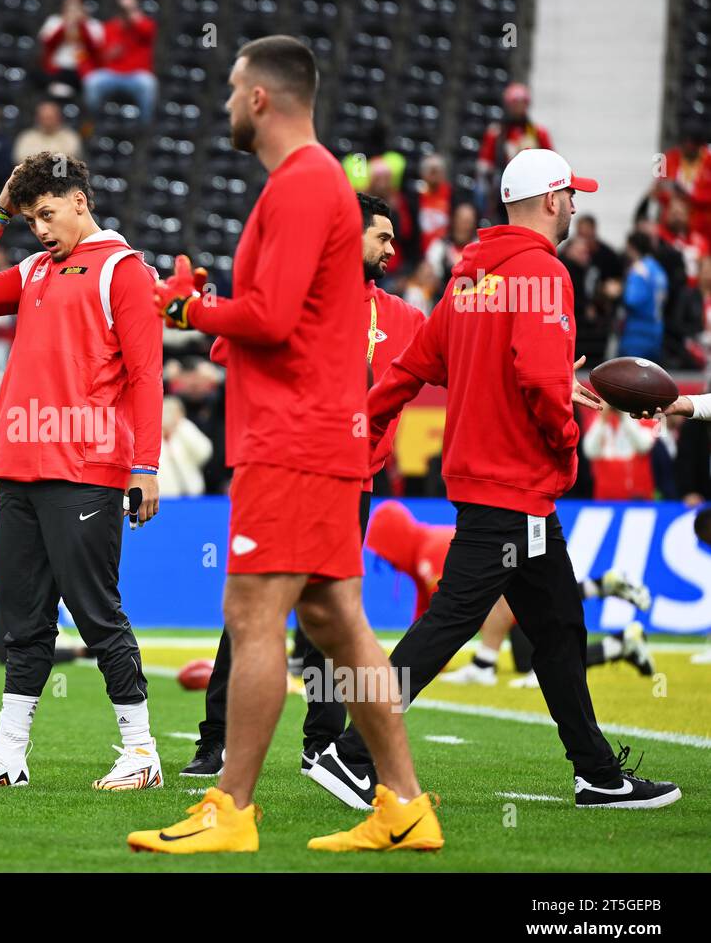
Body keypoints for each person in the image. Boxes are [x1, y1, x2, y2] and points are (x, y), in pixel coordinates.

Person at [133, 38, 441, 855]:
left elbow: (268, 318)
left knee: (251, 612)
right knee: (338, 617)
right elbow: (288, 318)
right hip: (321, 431)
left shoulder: (304, 183)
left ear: (262, 98)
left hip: (294, 438)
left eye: (234, 89)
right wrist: (208, 304)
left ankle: (230, 808)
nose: (227, 103)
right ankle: (406, 804)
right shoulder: (314, 184)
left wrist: (190, 313)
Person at [313, 147, 681, 812]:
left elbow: (414, 364)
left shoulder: (468, 275)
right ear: (549, 200)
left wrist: (361, 428)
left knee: (560, 624)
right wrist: (567, 439)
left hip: (501, 488)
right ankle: (351, 751)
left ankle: (597, 772)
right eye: (571, 195)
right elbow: (539, 382)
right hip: (514, 487)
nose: (575, 206)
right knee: (450, 622)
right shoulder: (545, 273)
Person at [0, 150, 164, 792]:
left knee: (96, 614)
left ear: (81, 202)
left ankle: (142, 753)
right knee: (24, 620)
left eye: (47, 213)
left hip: (87, 467)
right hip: (20, 467)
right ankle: (8, 753)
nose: (40, 228)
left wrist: (146, 466)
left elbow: (146, 376)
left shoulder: (124, 270)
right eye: (31, 218)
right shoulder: (35, 267)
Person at [179, 193, 425, 782]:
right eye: (381, 237)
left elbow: (460, 353)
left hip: (354, 481)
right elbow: (229, 343)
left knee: (329, 617)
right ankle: (215, 741)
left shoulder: (406, 317)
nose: (392, 249)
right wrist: (206, 310)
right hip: (289, 469)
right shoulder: (302, 298)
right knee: (253, 614)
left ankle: (322, 745)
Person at [363, 501, 654, 688]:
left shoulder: (428, 555)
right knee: (539, 632)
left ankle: (484, 665)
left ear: (393, 538)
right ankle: (619, 635)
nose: (386, 561)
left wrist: (481, 657)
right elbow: (428, 617)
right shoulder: (423, 552)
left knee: (541, 656)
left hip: (508, 593)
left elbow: (462, 609)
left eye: (383, 551)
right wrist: (424, 662)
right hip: (510, 585)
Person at [477, 82, 553, 220]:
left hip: (532, 188)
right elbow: (484, 164)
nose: (518, 107)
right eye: (514, 103)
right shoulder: (495, 132)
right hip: (502, 189)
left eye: (522, 103)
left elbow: (551, 161)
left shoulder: (538, 132)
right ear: (508, 105)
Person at [83, 0, 157, 122]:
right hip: (112, 74)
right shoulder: (109, 27)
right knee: (92, 81)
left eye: (131, 7)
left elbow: (148, 32)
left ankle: (146, 125)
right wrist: (110, 54)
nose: (126, 11)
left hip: (136, 75)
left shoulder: (145, 24)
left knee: (148, 83)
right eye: (124, 8)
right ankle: (91, 121)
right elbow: (100, 57)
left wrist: (134, 15)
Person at [37, 0, 103, 104]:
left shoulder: (93, 24)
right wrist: (64, 26)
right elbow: (47, 43)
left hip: (81, 69)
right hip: (56, 68)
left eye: (76, 7)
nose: (72, 10)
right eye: (69, 6)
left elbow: (95, 48)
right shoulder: (54, 21)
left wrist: (81, 25)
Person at [618, 230, 668, 361]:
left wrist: (619, 292)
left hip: (637, 333)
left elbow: (632, 300)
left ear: (632, 247)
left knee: (629, 378)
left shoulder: (639, 269)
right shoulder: (658, 270)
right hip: (656, 331)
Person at [157, 395, 213, 497]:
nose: (167, 416)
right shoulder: (151, 434)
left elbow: (205, 452)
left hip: (192, 496)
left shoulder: (185, 429)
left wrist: (180, 423)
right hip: (163, 497)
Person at [12, 100, 83, 163]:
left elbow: (72, 156)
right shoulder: (26, 137)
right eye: (44, 118)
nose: (47, 122)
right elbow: (19, 158)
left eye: (50, 118)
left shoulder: (70, 136)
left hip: (63, 175)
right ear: (37, 118)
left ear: (59, 118)